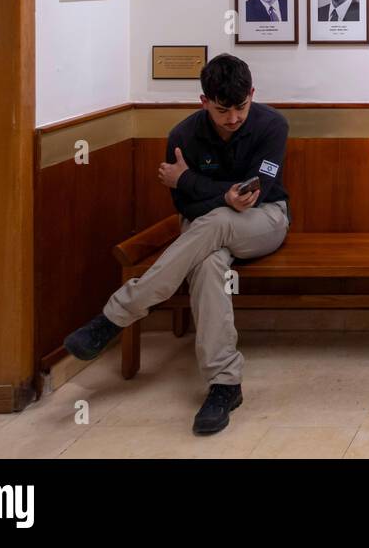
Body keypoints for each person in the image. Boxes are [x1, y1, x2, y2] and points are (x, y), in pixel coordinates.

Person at [63, 55, 290, 436]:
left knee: (215, 221)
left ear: (252, 95)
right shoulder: (182, 137)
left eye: (240, 107)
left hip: (265, 220)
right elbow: (186, 207)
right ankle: (225, 386)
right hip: (203, 230)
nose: (233, 118)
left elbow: (256, 192)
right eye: (222, 110)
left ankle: (116, 315)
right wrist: (216, 193)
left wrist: (187, 180)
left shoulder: (272, 125)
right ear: (204, 102)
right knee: (208, 264)